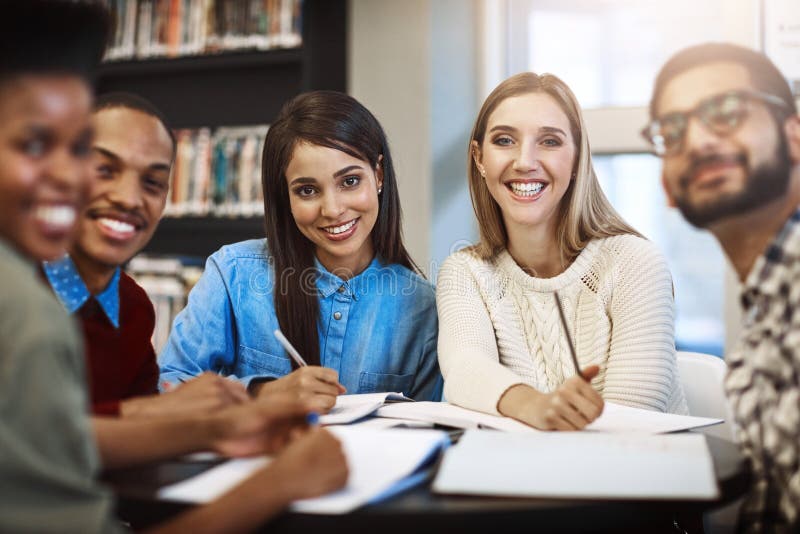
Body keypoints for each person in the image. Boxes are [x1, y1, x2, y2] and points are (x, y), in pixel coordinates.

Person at [0, 2, 346, 532]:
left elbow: (64, 438)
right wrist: (275, 479)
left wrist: (211, 425)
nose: (121, 196)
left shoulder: (130, 305)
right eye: (34, 145)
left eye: (153, 182)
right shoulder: (27, 311)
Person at [159, 90, 442, 409]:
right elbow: (168, 385)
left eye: (349, 181)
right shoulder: (233, 273)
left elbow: (430, 425)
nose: (332, 209)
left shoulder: (423, 309)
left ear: (378, 175)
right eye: (307, 190)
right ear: (286, 197)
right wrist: (260, 393)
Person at [436, 72, 687, 431]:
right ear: (479, 158)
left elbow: (634, 415)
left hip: (640, 461)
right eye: (504, 140)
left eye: (549, 141)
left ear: (576, 159)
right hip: (528, 465)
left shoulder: (634, 261)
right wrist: (535, 405)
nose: (525, 161)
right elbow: (465, 368)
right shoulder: (465, 271)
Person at [644, 42, 800, 533]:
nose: (697, 141)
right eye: (673, 131)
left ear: (794, 136)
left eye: (727, 112)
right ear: (667, 188)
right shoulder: (768, 305)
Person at [43, 92, 248, 417]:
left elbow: (145, 419)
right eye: (104, 170)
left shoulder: (133, 305)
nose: (129, 199)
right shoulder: (14, 289)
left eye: (153, 182)